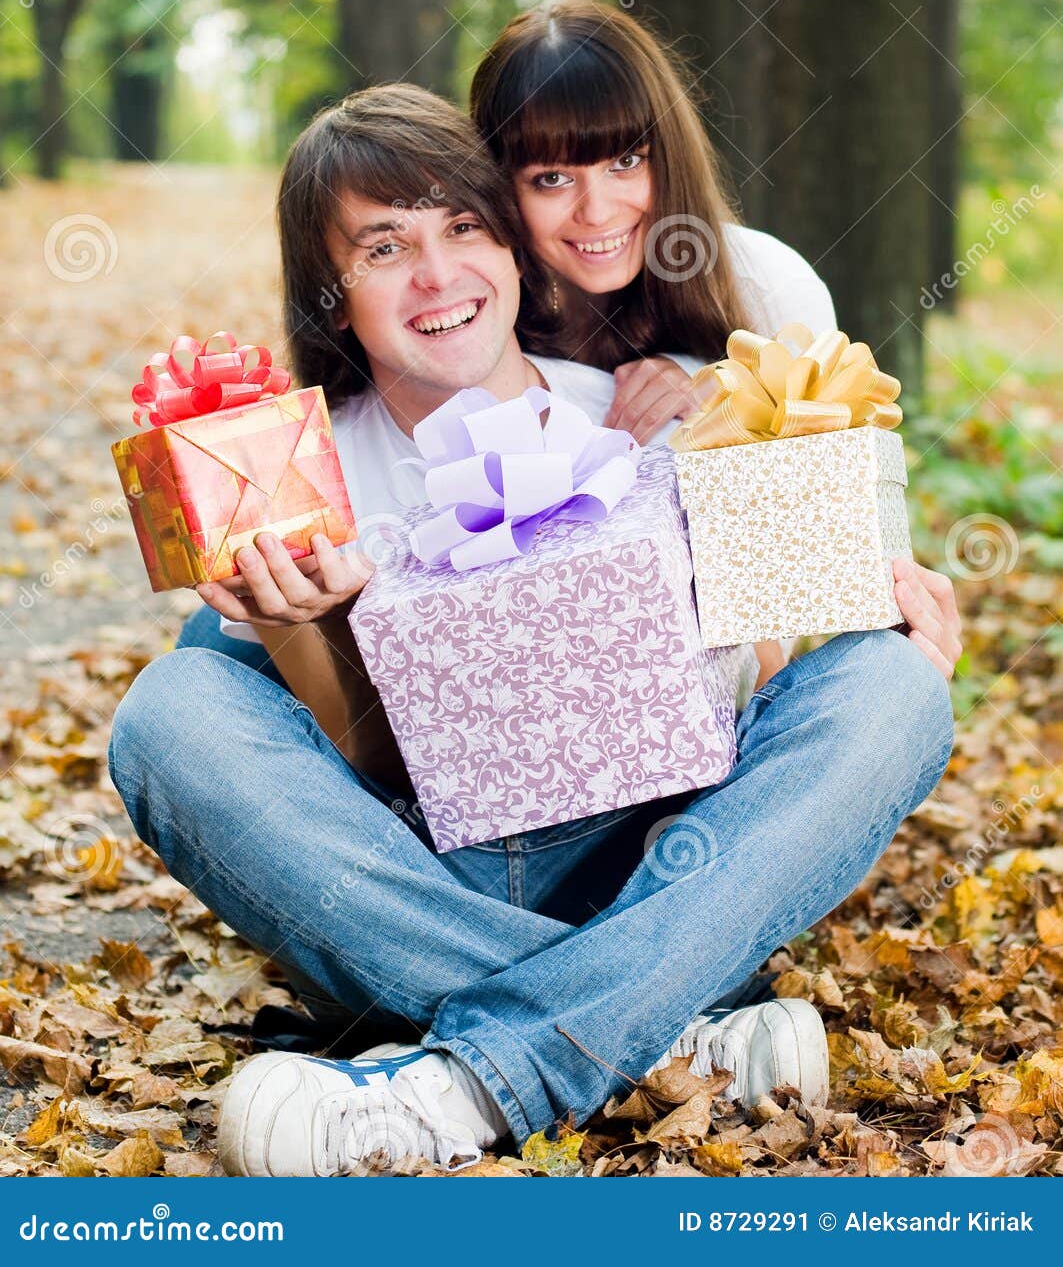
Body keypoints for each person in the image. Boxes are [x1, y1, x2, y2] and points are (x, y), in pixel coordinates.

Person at [108, 86, 961, 1179]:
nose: (438, 274)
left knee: (889, 687)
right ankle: (669, 1030)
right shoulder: (287, 486)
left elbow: (757, 682)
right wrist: (291, 629)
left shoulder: (652, 408)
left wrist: (873, 629)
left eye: (463, 227)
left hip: (647, 856)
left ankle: (465, 1072)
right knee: (178, 702)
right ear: (331, 300)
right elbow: (354, 767)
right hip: (422, 874)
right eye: (384, 247)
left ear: (513, 251)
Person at [470, 0, 836, 446]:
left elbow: (836, 494)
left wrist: (715, 383)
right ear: (499, 184)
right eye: (553, 178)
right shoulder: (474, 312)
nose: (597, 212)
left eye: (626, 161)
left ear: (670, 155)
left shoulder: (766, 284)